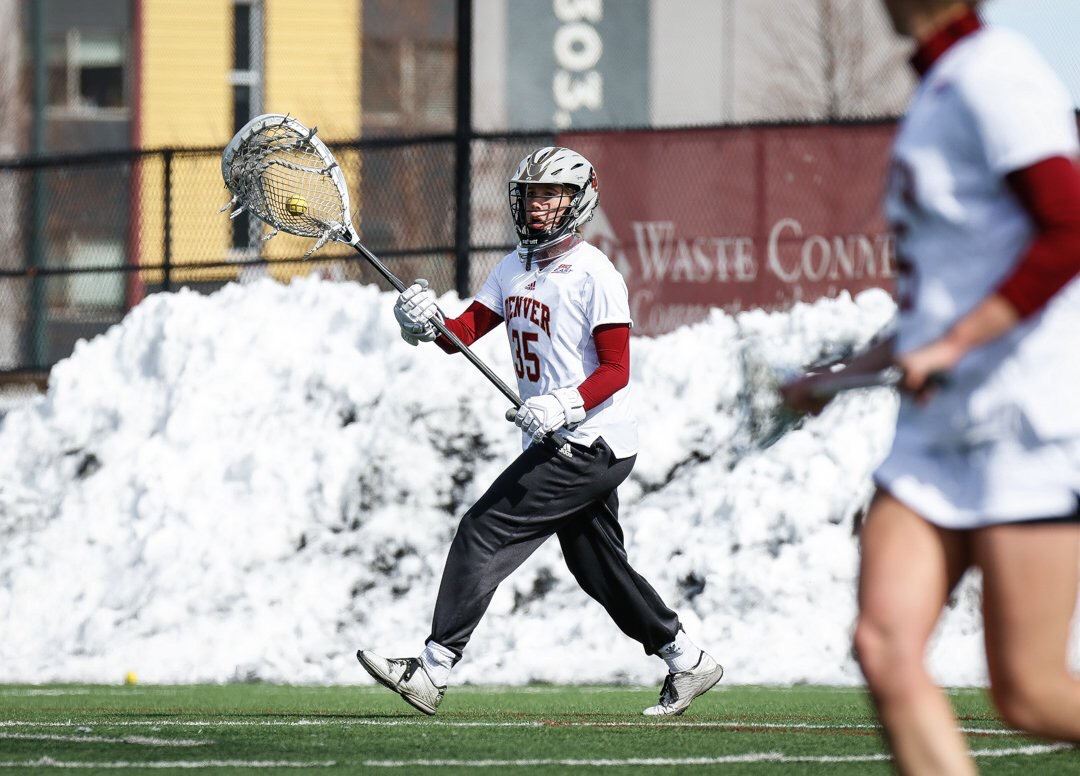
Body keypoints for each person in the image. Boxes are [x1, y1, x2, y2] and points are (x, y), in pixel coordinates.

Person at [783, 2, 1080, 773]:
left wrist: (955, 343)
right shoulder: (942, 84)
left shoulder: (996, 71)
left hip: (1020, 428)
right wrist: (850, 369)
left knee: (1031, 693)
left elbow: (1070, 227)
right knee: (883, 644)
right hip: (932, 434)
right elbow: (946, 287)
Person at [356, 147, 723, 716]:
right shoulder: (512, 268)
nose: (535, 205)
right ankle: (687, 658)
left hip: (590, 443)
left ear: (579, 202)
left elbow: (617, 370)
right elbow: (462, 335)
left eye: (549, 194)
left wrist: (562, 404)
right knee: (598, 566)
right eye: (529, 193)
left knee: (482, 529)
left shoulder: (596, 275)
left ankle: (431, 669)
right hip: (559, 441)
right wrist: (424, 324)